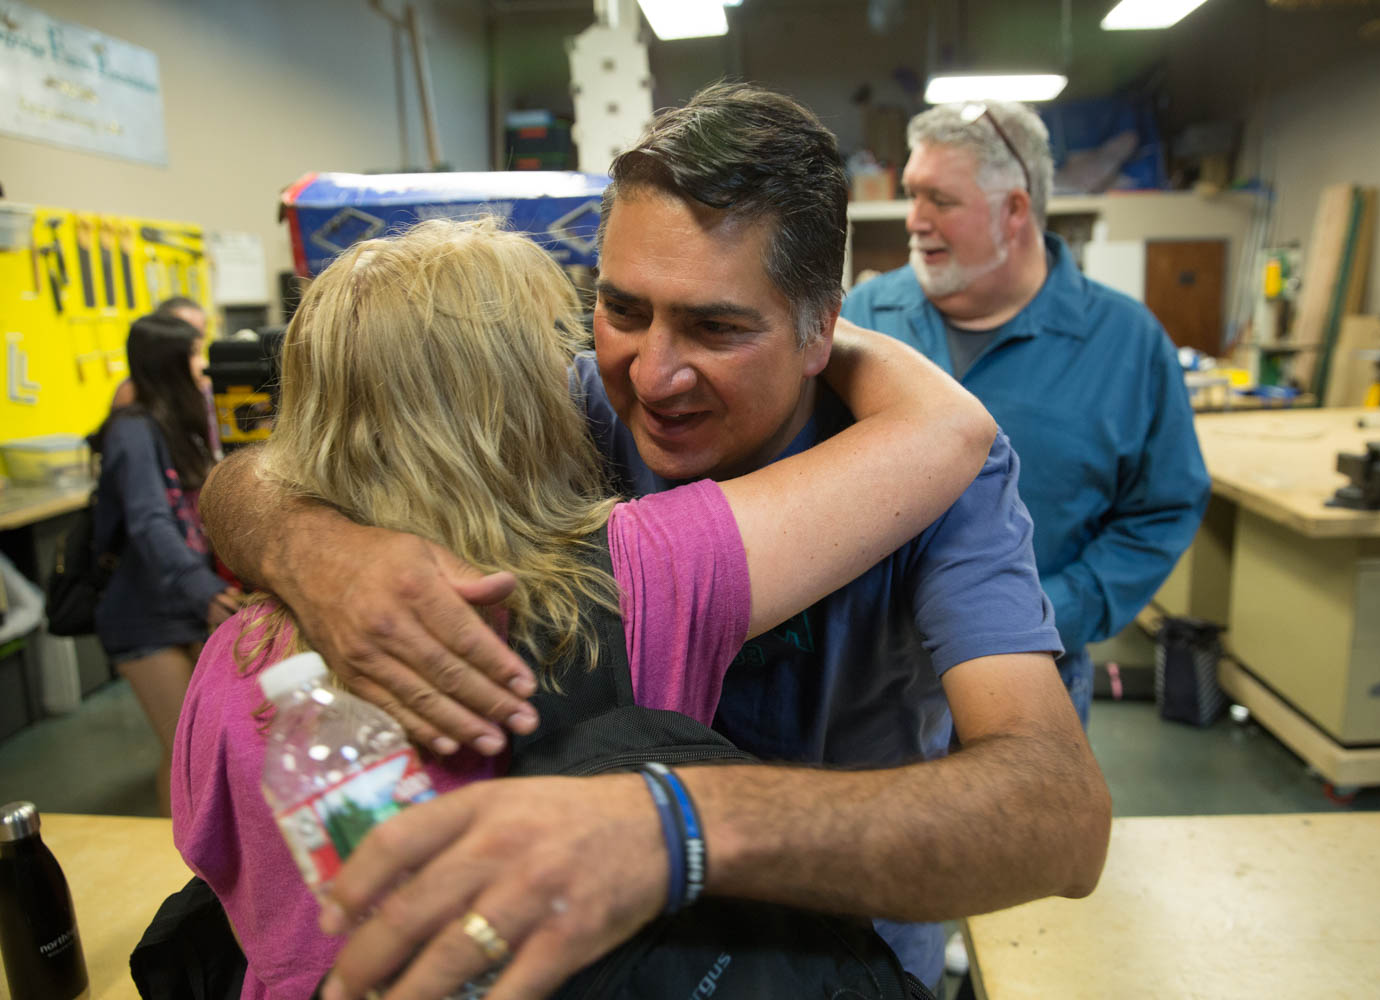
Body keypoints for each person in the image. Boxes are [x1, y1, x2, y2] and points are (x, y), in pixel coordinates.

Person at [199, 83, 1112, 995]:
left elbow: (1059, 815)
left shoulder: (937, 479)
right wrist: (311, 549)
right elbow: (282, 465)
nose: (655, 374)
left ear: (819, 329)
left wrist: (673, 828)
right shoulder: (566, 413)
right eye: (623, 309)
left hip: (836, 953)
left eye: (717, 327)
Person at [842, 99, 1211, 727]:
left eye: (942, 200)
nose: (915, 221)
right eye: (912, 195)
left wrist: (1049, 608)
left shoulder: (1125, 343)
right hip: (869, 691)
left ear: (1015, 210)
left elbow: (1162, 508)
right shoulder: (865, 320)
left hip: (1033, 679)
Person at [93, 313, 241, 815]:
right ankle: (170, 865)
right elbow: (150, 521)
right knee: (184, 752)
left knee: (203, 746)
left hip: (181, 606)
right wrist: (201, 588)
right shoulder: (133, 431)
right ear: (171, 362)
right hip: (144, 615)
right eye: (196, 353)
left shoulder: (176, 423)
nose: (204, 367)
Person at [111, 297, 208, 411]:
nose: (192, 337)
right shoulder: (131, 393)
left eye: (199, 334)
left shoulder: (206, 382)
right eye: (181, 329)